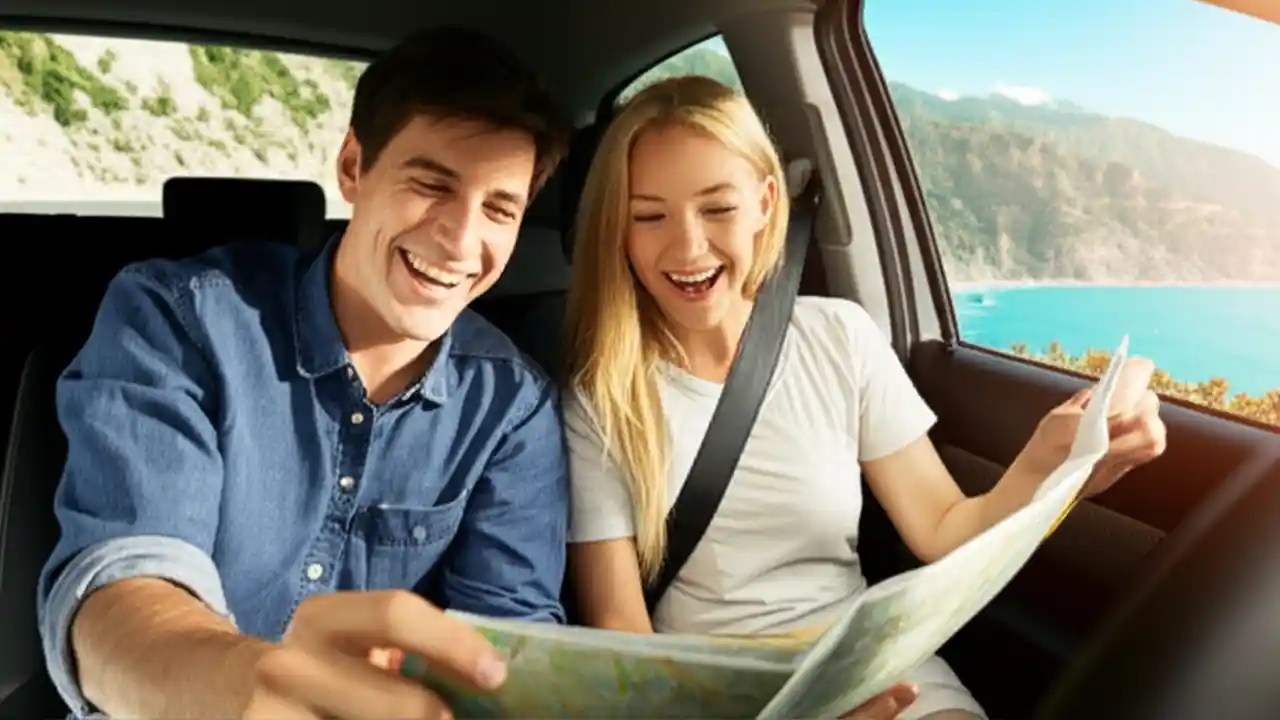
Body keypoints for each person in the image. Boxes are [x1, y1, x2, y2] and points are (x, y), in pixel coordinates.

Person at [561, 76, 1167, 720]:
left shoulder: (839, 337)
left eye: (718, 209)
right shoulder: (602, 399)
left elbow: (942, 529)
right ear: (617, 232)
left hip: (866, 666)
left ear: (767, 203)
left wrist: (1053, 464)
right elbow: (620, 629)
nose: (687, 246)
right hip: (716, 698)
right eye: (648, 216)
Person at [36, 26, 573, 720]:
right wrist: (248, 687)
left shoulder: (513, 406)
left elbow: (511, 646)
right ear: (353, 166)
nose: (462, 241)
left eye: (499, 208)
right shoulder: (178, 321)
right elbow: (123, 596)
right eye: (430, 184)